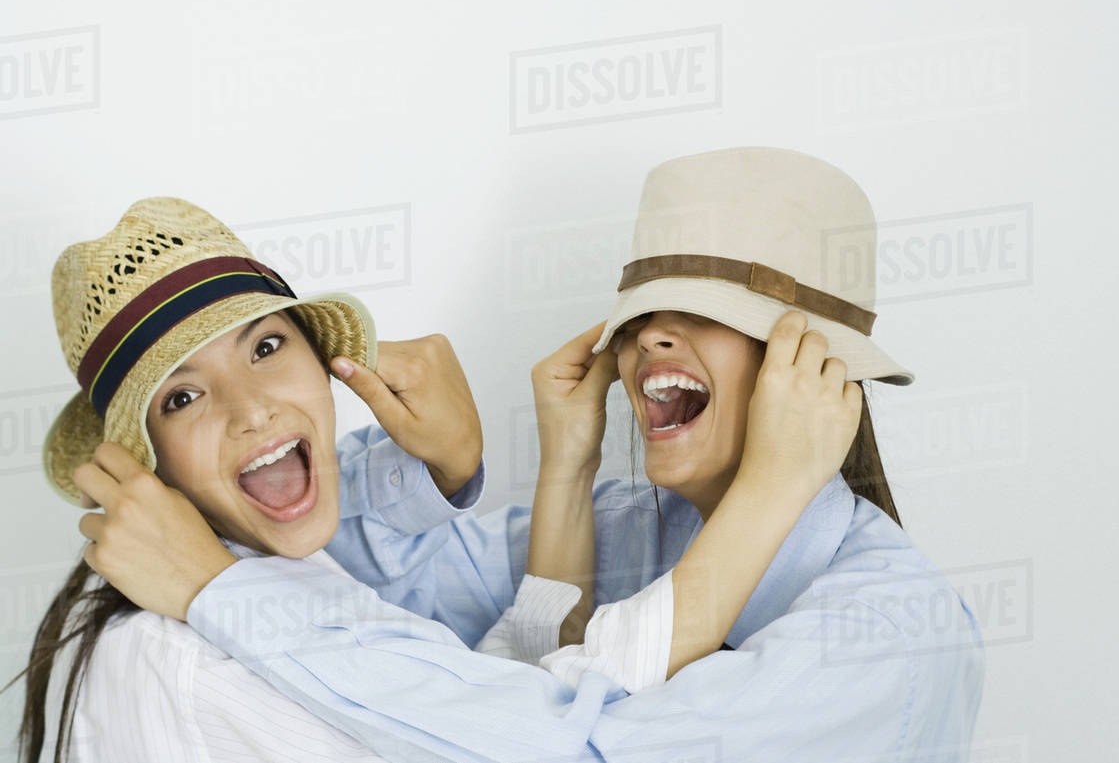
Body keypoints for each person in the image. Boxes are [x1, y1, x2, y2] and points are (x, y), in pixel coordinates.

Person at [74, 149, 987, 762]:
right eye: (644, 312)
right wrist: (518, 470)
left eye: (708, 313)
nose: (654, 337)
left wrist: (776, 488)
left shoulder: (893, 635)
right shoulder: (633, 529)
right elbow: (402, 598)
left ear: (818, 369)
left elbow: (579, 742)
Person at [10, 197, 492, 762]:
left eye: (265, 347)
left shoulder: (282, 564)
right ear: (144, 463)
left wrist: (456, 466)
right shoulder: (188, 669)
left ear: (322, 361)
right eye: (182, 398)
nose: (252, 411)